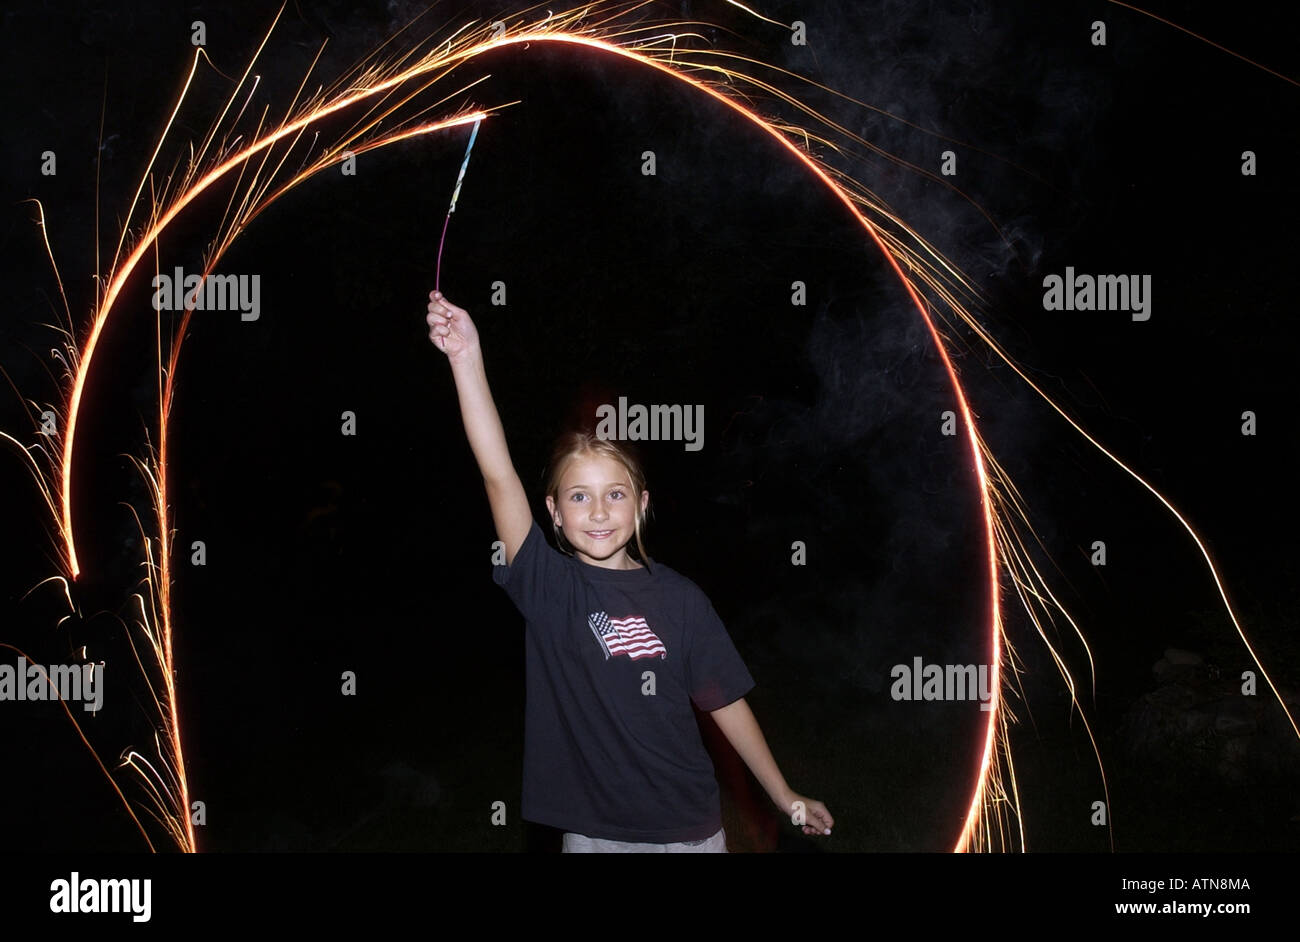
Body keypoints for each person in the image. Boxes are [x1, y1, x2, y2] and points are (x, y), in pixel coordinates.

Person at [426, 289, 833, 852]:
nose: (598, 512)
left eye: (614, 494)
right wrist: (466, 358)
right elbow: (498, 473)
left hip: (688, 830)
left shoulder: (682, 600)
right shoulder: (548, 587)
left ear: (642, 504)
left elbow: (724, 702)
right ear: (553, 511)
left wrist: (784, 793)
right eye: (578, 496)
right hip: (594, 836)